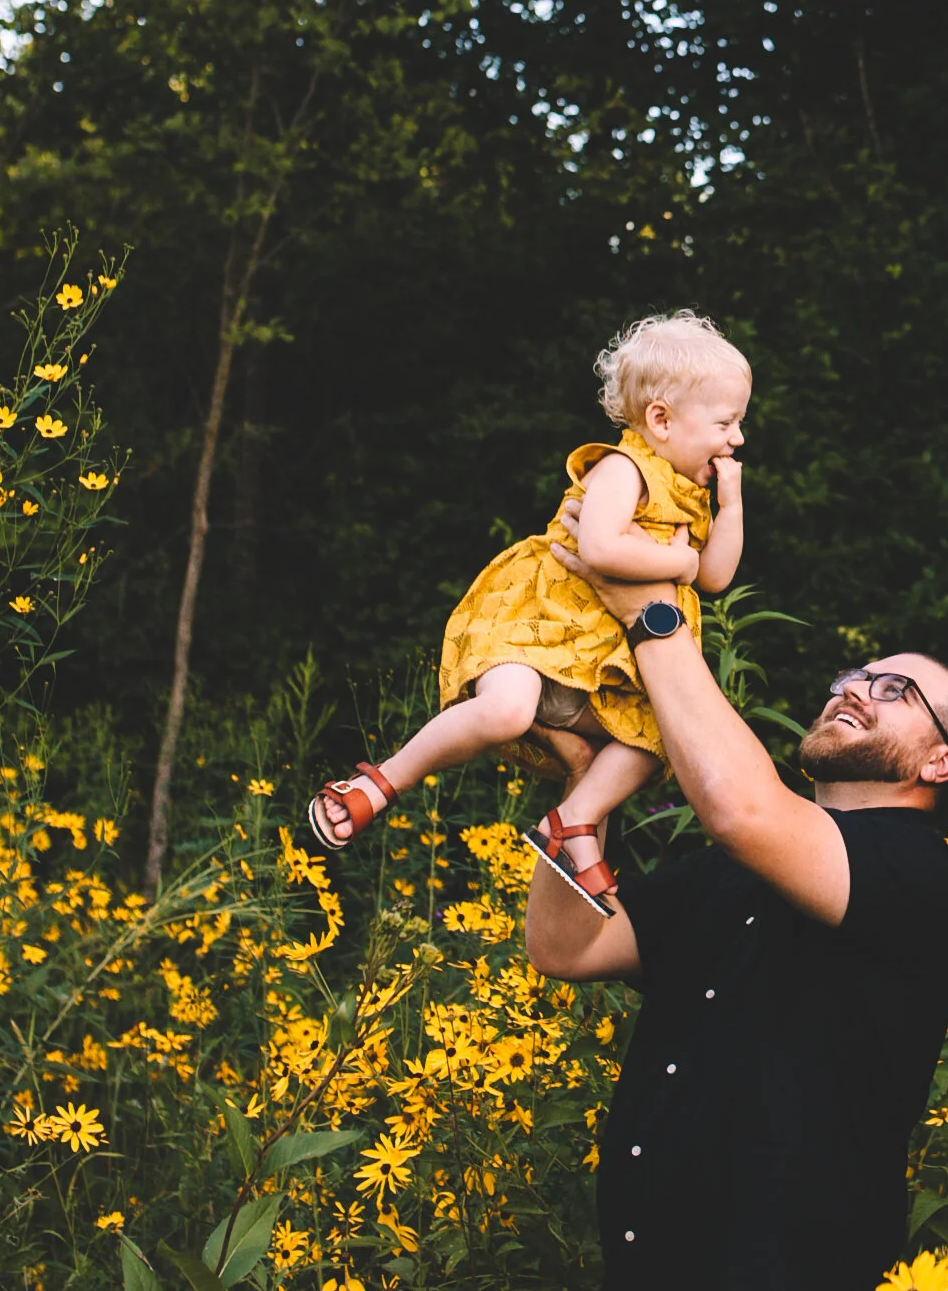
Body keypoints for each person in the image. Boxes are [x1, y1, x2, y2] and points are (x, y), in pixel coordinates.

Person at [522, 536, 948, 1291]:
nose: (854, 690)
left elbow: (739, 802)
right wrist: (579, 806)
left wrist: (653, 615)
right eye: (848, 680)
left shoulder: (921, 879)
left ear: (941, 762)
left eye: (895, 689)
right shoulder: (727, 872)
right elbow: (568, 947)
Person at [305, 311, 749, 914]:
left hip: (603, 672)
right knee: (508, 709)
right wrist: (680, 566)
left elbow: (719, 576)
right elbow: (598, 548)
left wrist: (730, 506)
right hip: (539, 636)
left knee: (659, 738)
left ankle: (573, 824)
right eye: (726, 423)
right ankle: (383, 780)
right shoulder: (625, 470)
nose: (737, 439)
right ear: (661, 420)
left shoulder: (690, 495)